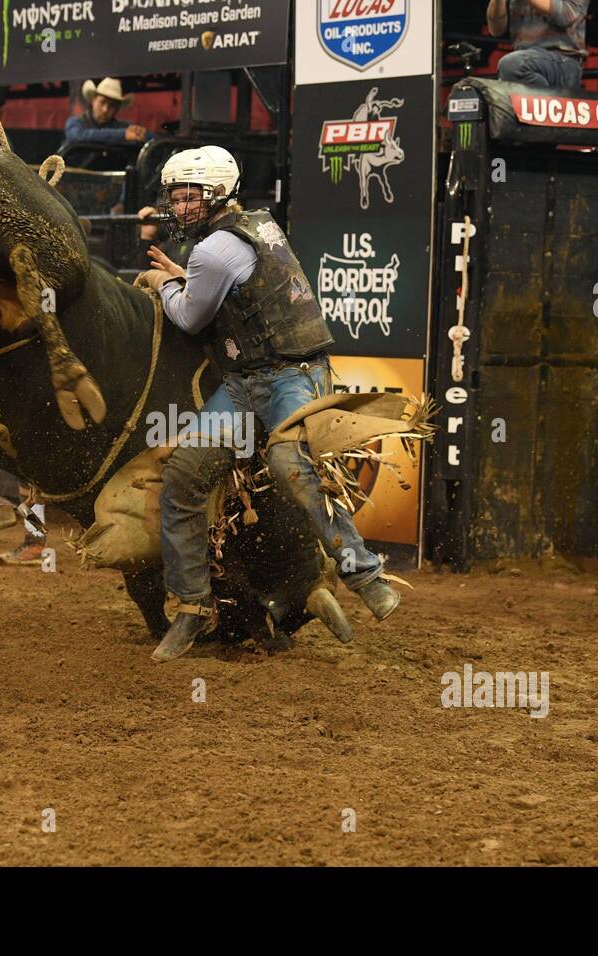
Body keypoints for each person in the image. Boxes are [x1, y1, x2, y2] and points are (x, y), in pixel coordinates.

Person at [139, 146, 399, 662]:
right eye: (175, 197)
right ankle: (191, 609)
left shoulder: (215, 249)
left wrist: (164, 282)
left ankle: (363, 571)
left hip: (290, 376)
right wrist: (184, 278)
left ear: (216, 195)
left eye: (188, 197)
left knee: (287, 460)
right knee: (186, 473)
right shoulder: (251, 227)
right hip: (251, 380)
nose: (179, 207)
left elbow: (190, 317)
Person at [486, 0, 590, 91]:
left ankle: (545, 108)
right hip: (524, 59)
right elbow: (496, 30)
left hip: (563, 61)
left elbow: (566, 16)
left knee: (511, 64)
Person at [61, 77, 151, 169]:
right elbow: (77, 136)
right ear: (93, 100)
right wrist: (123, 135)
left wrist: (140, 135)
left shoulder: (123, 127)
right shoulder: (75, 122)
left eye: (112, 105)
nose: (105, 109)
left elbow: (150, 139)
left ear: (117, 109)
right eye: (102, 102)